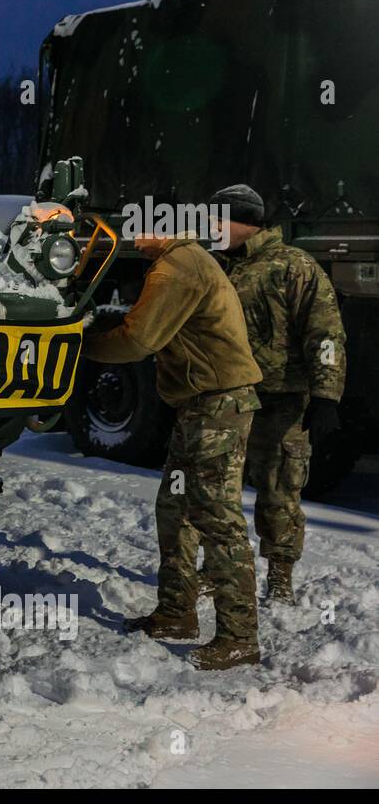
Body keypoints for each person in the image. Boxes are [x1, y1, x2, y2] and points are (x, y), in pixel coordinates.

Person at [83, 228, 264, 669]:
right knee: (176, 509)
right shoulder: (180, 262)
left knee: (216, 517)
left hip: (217, 406)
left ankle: (240, 636)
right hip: (199, 406)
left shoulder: (177, 266)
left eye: (138, 225)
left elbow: (138, 341)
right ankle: (176, 614)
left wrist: (76, 346)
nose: (131, 235)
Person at [208, 185, 347, 604]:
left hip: (282, 401)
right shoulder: (216, 267)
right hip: (227, 398)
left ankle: (281, 577)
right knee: (215, 492)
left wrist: (326, 395)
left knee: (279, 491)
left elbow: (325, 333)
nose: (210, 229)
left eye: (217, 221)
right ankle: (216, 570)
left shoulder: (294, 266)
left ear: (242, 221)